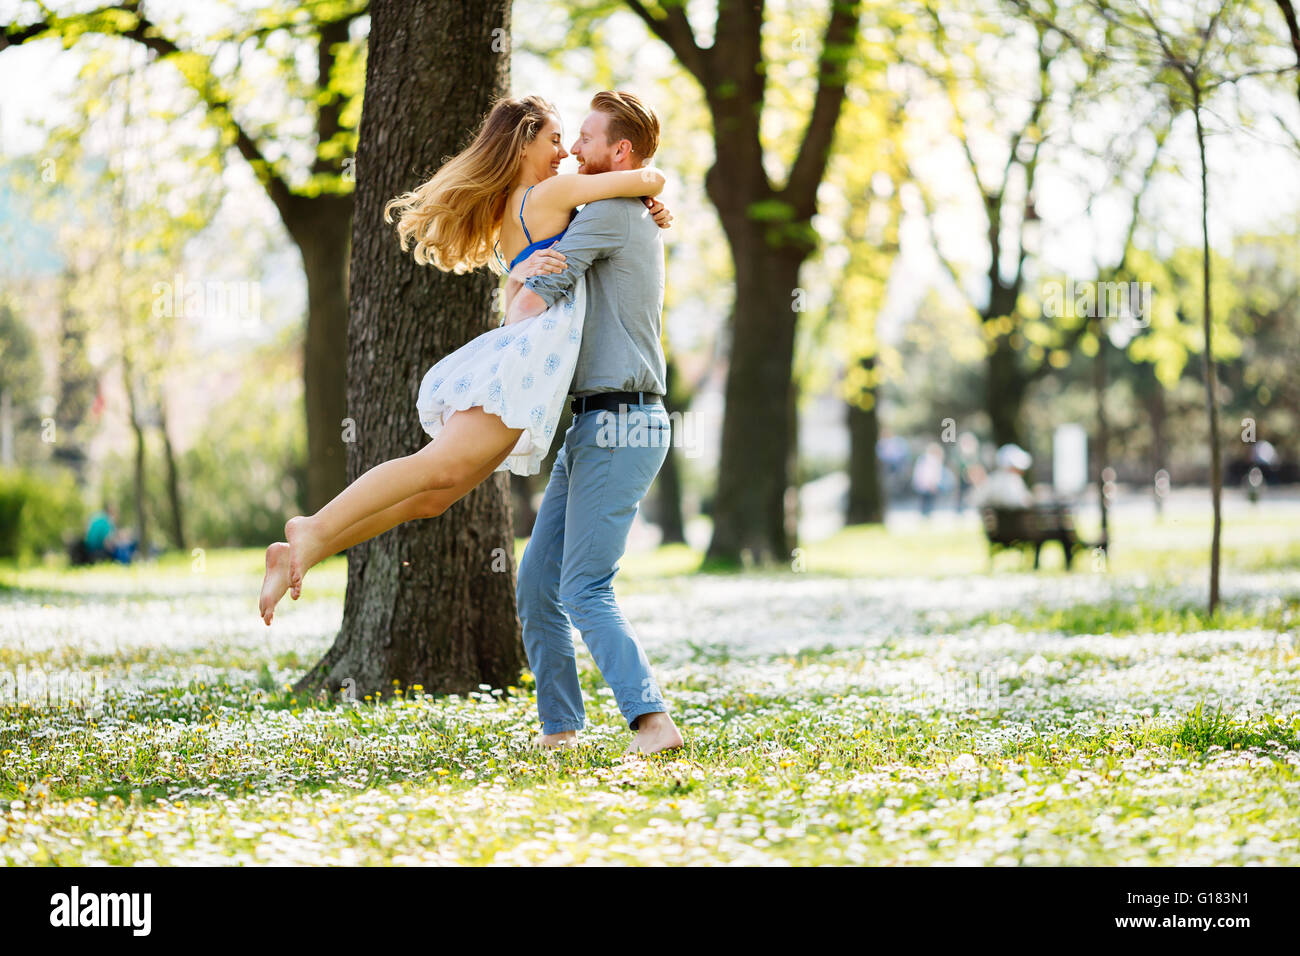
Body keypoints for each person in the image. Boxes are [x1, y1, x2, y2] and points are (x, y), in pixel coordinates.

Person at [256, 93, 671, 627]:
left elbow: (528, 274)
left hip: (522, 354)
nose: (565, 152)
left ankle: (306, 550)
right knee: (438, 467)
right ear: (524, 143)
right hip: (527, 360)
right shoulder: (556, 192)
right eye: (554, 139)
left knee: (434, 496)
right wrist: (653, 197)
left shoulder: (517, 203)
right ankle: (311, 528)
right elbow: (648, 179)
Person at [504, 91, 683, 755]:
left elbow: (539, 291)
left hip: (622, 420)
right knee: (537, 583)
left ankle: (652, 722)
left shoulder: (608, 210)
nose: (574, 150)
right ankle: (560, 730)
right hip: (596, 422)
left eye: (584, 138)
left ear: (620, 153)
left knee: (583, 586)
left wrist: (516, 280)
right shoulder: (620, 206)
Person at [974, 443, 1035, 509]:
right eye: (1016, 467)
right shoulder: (1008, 480)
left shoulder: (1013, 480)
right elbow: (1018, 503)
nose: (1021, 471)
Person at [911, 442, 944, 516]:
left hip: (923, 484)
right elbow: (932, 475)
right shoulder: (933, 461)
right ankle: (926, 514)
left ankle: (925, 514)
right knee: (928, 501)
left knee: (925, 501)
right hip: (928, 484)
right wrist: (932, 484)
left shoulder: (922, 459)